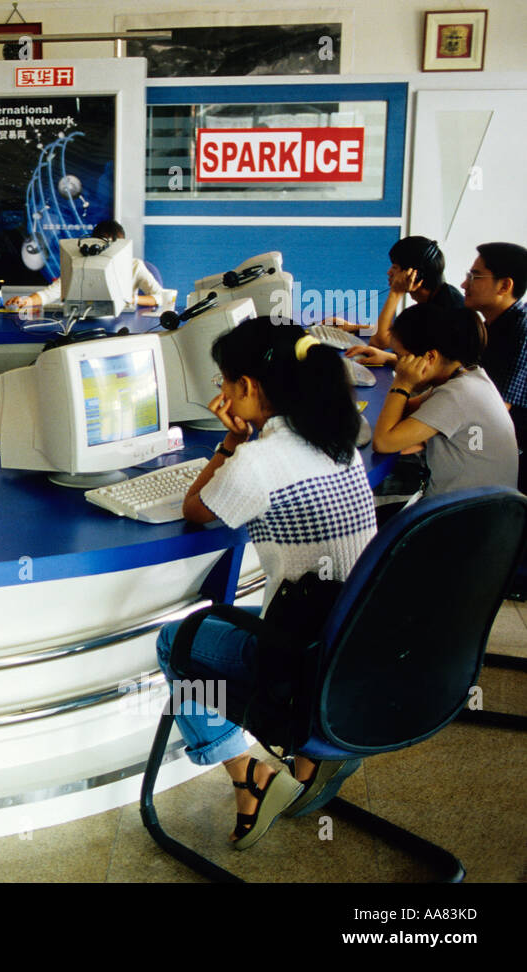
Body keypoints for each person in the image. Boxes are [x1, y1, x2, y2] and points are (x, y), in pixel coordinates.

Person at [157, 318, 377, 850]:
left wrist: (231, 443)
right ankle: (312, 759)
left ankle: (248, 774)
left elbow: (196, 510)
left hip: (301, 657)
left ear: (248, 389)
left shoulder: (255, 462)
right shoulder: (338, 441)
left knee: (177, 641)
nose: (221, 393)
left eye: (224, 383)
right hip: (361, 645)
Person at [371, 304, 516, 496]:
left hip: (462, 517)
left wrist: (402, 383)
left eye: (401, 357)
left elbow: (383, 442)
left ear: (430, 357)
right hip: (480, 511)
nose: (399, 366)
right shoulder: (468, 378)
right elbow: (406, 411)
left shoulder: (457, 396)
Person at [460, 242, 527, 491]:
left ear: (505, 285)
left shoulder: (521, 333)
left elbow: (496, 409)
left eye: (475, 276)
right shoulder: (492, 326)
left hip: (509, 463)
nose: (464, 284)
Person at [338, 237, 461, 363]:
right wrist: (354, 327)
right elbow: (404, 336)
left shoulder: (444, 310)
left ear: (415, 275)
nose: (389, 272)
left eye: (395, 268)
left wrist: (396, 292)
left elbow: (379, 342)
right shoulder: (439, 297)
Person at [4, 219, 165, 311]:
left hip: (123, 326)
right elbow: (50, 293)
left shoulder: (135, 266)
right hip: (84, 323)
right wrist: (26, 301)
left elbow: (160, 297)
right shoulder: (80, 264)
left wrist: (131, 299)